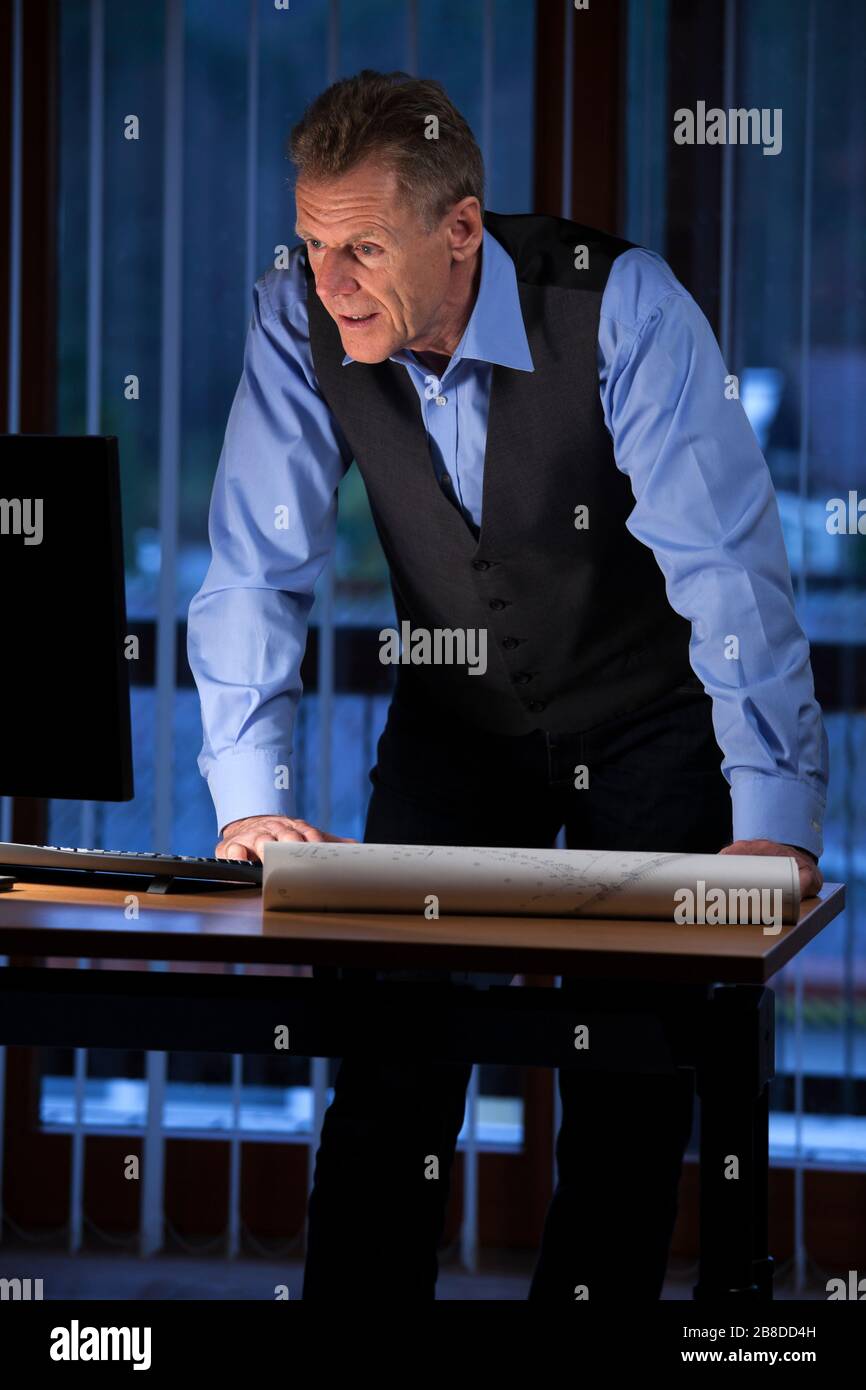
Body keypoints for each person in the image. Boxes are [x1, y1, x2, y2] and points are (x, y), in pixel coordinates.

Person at [187, 70, 827, 1300]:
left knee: (628, 1089)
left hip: (648, 726)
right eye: (315, 245)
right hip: (454, 725)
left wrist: (767, 825)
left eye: (363, 248)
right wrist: (248, 799)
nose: (331, 284)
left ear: (460, 228)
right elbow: (254, 567)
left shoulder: (619, 305)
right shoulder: (298, 320)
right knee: (388, 1069)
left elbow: (727, 570)